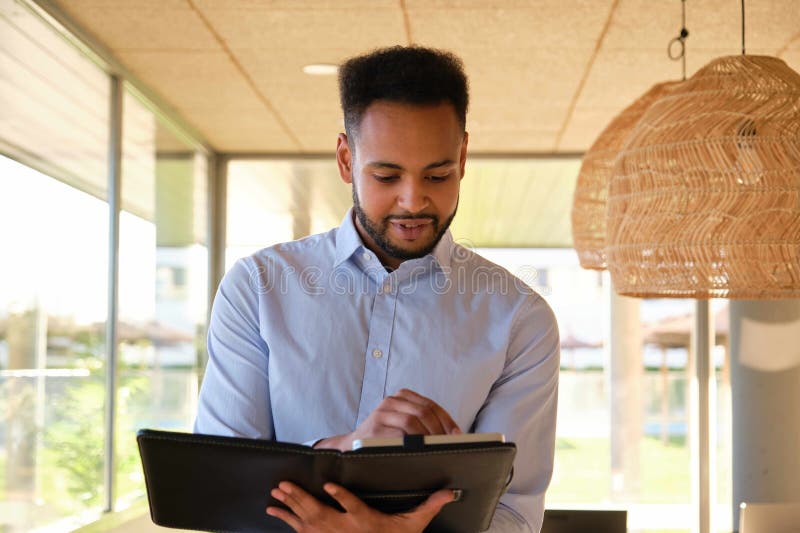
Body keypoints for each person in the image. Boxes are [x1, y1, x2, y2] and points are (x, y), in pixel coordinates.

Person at [195, 45, 560, 533]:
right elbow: (218, 490)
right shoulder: (258, 289)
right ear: (346, 160)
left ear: (464, 157)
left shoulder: (520, 319)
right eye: (386, 175)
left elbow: (515, 514)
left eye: (438, 174)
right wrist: (340, 453)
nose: (413, 200)